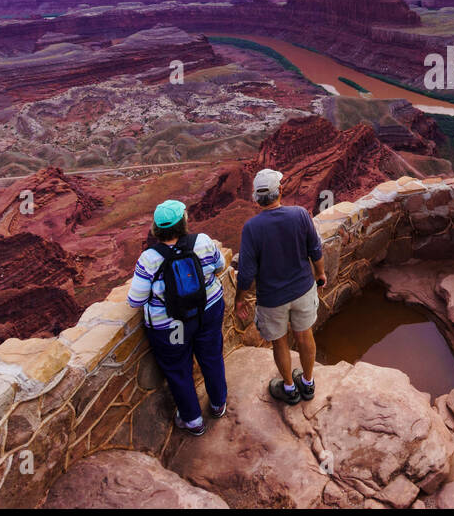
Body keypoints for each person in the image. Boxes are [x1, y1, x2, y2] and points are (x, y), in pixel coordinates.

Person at [127, 200, 228, 436]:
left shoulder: (149, 259)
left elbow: (135, 300)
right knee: (211, 356)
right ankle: (218, 404)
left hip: (172, 325)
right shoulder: (202, 242)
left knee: (179, 368)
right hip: (207, 311)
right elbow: (220, 265)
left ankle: (193, 421)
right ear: (183, 222)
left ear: (156, 228)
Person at [234, 168, 327, 405]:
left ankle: (289, 388)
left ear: (256, 198)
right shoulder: (300, 215)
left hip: (272, 299)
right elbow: (315, 249)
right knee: (305, 336)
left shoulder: (252, 228)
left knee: (280, 342)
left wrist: (240, 298)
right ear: (280, 191)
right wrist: (321, 273)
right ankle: (307, 383)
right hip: (304, 290)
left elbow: (246, 272)